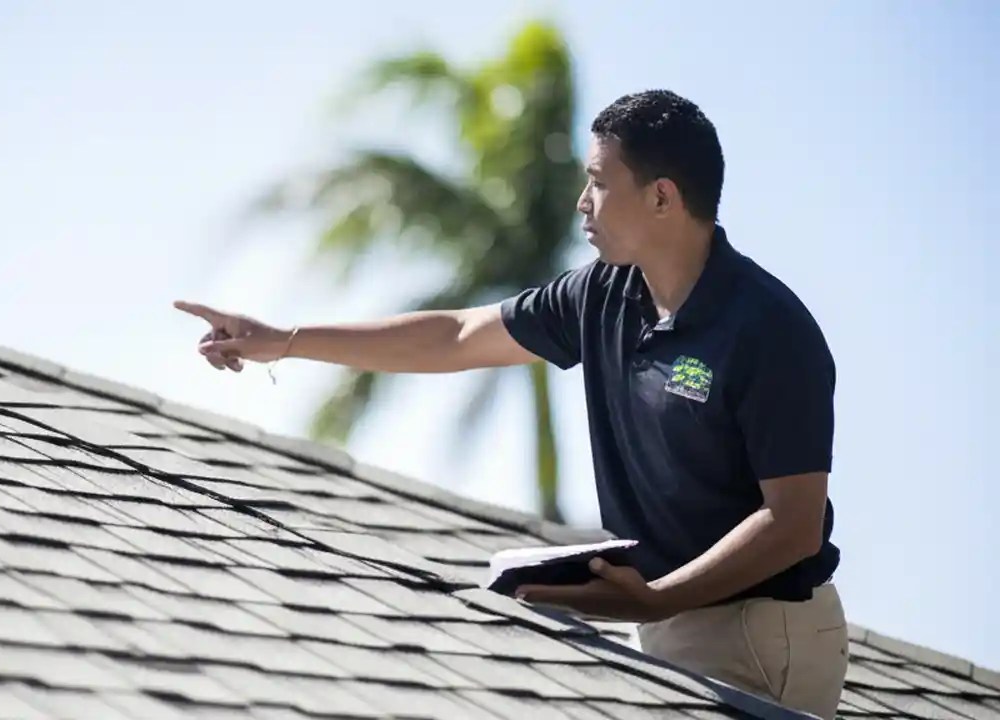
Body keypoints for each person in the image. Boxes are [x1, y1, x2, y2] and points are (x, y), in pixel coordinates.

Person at [174, 89, 848, 719]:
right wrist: (284, 341)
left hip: (762, 633)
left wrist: (660, 597)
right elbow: (456, 335)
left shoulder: (768, 329)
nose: (583, 202)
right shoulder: (601, 296)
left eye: (600, 182)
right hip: (663, 615)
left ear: (663, 198)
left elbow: (794, 525)